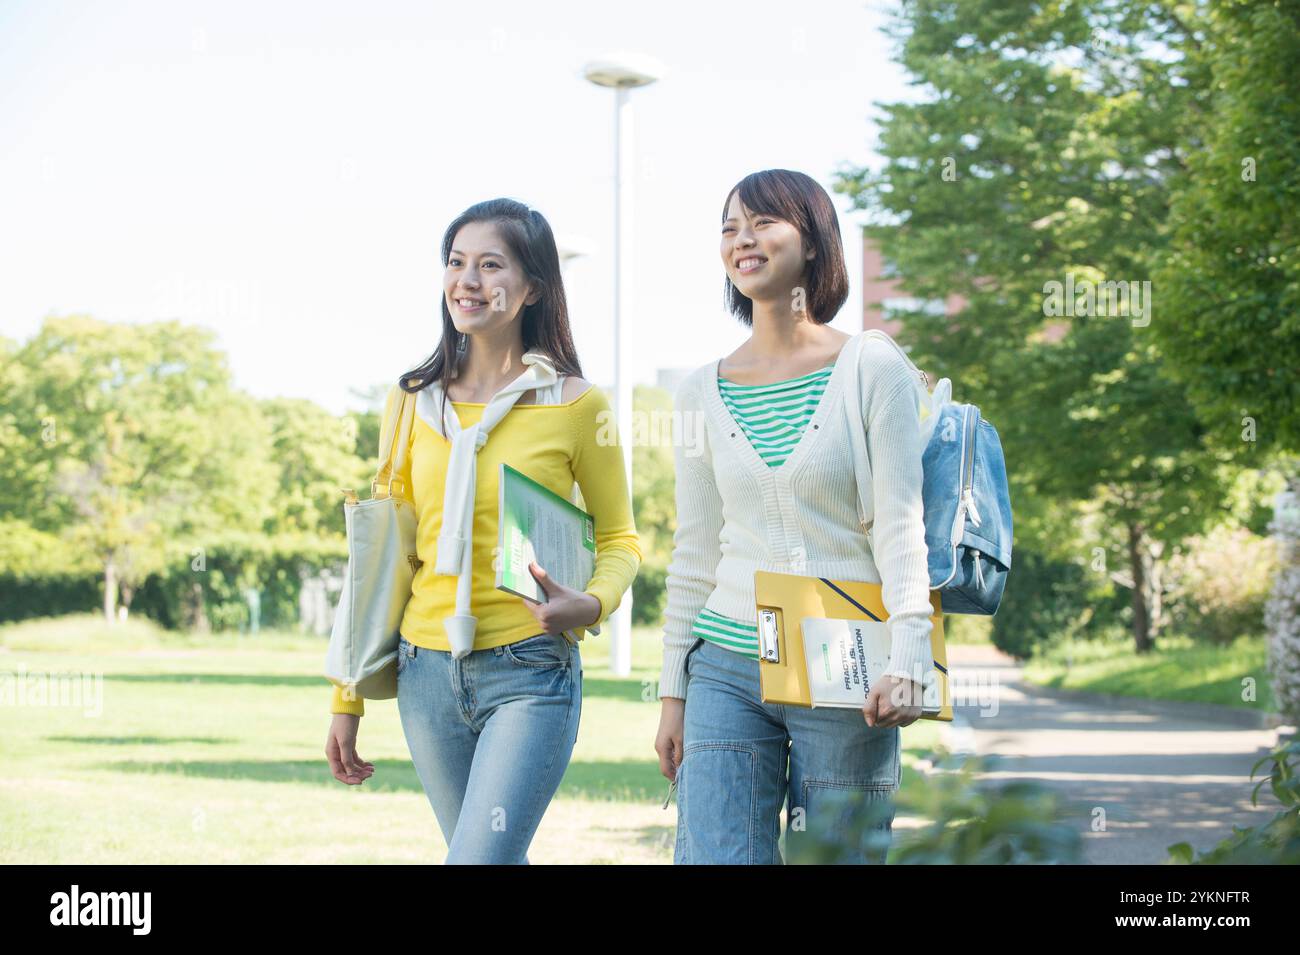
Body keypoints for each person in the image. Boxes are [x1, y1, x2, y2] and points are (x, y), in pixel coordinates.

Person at [325, 198, 641, 864]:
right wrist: (346, 695)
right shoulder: (413, 400)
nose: (466, 280)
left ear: (531, 287)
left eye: (489, 264)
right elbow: (381, 555)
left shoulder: (576, 404)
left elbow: (620, 539)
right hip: (425, 673)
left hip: (529, 668)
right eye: (455, 262)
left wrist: (593, 602)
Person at [654, 169, 933, 864]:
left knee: (837, 857)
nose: (742, 238)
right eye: (729, 226)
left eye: (763, 221)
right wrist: (671, 692)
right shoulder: (699, 392)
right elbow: (694, 552)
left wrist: (911, 657)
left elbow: (901, 524)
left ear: (812, 243)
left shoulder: (872, 366)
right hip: (724, 661)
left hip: (844, 662)